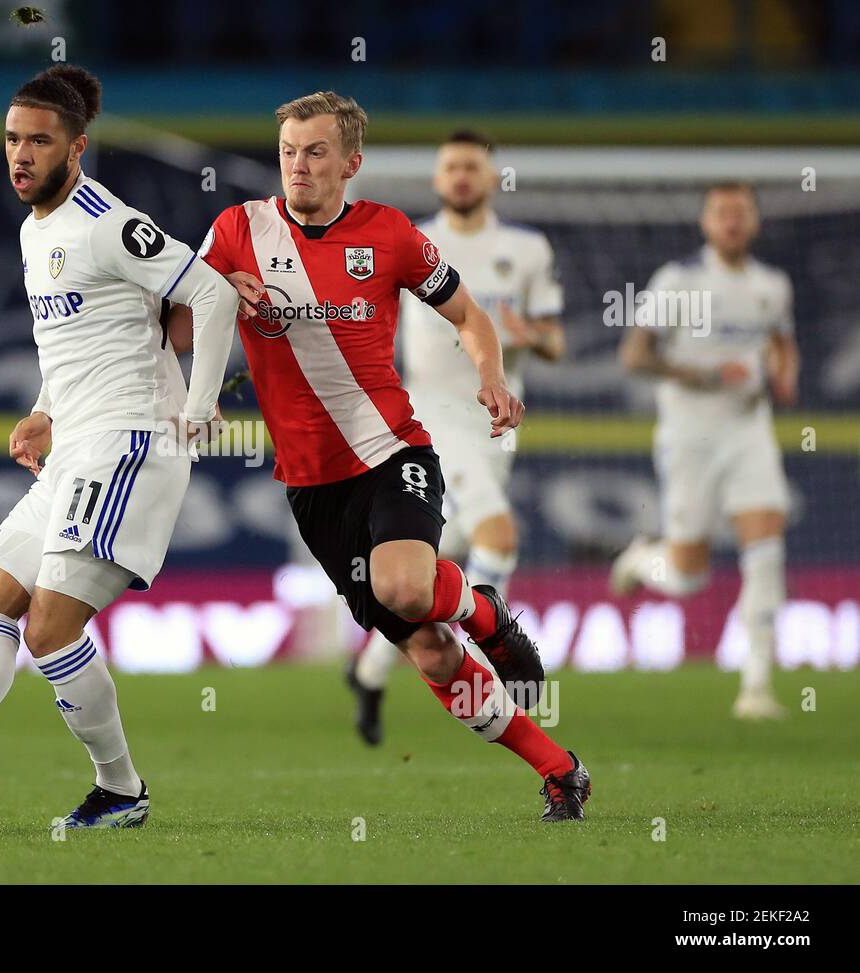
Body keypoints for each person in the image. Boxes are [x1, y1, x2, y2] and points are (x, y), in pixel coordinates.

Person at [173, 91, 590, 821]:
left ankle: (486, 615)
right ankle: (559, 767)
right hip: (311, 483)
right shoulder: (237, 230)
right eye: (289, 152)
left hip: (395, 449)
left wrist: (491, 375)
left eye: (316, 152)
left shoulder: (388, 234)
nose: (299, 167)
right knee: (430, 653)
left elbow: (468, 314)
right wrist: (211, 292)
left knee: (403, 588)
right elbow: (177, 329)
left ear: (351, 162)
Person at [0, 64, 238, 828]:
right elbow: (77, 339)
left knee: (50, 628)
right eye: (11, 139)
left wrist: (199, 407)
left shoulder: (105, 221)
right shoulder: (36, 230)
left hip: (129, 444)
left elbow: (212, 292)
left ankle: (121, 790)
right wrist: (44, 410)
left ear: (78, 148)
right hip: (77, 446)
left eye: (39, 140)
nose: (20, 154)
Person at [348, 129, 565, 745]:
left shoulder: (526, 249)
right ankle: (501, 662)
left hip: (497, 418)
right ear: (439, 179)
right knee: (500, 535)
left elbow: (555, 341)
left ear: (492, 176)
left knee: (437, 558)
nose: (462, 176)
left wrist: (527, 335)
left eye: (473, 166)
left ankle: (368, 670)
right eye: (451, 167)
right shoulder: (408, 241)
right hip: (432, 411)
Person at [611, 182, 797, 720]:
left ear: (755, 222)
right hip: (689, 437)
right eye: (722, 212)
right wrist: (706, 374)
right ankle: (645, 559)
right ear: (706, 222)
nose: (732, 221)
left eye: (741, 212)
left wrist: (785, 375)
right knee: (689, 578)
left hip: (749, 432)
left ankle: (756, 688)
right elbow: (635, 356)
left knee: (766, 552)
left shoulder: (772, 285)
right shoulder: (679, 280)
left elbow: (783, 342)